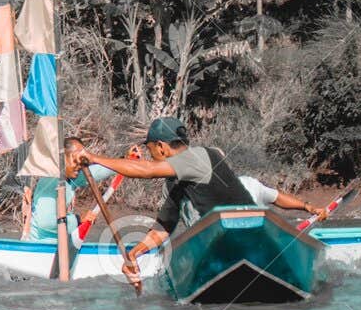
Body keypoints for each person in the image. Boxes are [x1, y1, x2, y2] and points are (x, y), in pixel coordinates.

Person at [75, 116, 316, 282]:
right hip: (222, 247)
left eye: (149, 150)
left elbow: (147, 171)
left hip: (252, 238)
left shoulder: (201, 156)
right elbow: (163, 228)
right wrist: (135, 253)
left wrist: (94, 157)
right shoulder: (175, 182)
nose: (150, 156)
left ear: (161, 147)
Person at [20, 137, 114, 243]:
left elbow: (96, 172)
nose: (80, 165)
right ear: (62, 158)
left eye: (82, 160)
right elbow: (45, 222)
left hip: (60, 245)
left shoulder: (70, 176)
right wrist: (78, 220)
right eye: (75, 160)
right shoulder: (50, 180)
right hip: (43, 246)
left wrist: (125, 162)